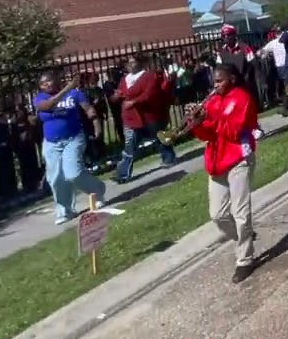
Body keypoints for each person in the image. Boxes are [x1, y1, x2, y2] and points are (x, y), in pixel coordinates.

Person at [188, 63, 259, 283]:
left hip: (239, 158)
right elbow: (207, 135)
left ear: (232, 79)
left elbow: (234, 131)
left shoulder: (242, 98)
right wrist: (197, 123)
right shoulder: (212, 101)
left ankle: (245, 260)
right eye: (214, 82)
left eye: (220, 81)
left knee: (240, 212)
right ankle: (245, 236)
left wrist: (213, 118)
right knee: (217, 215)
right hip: (217, 161)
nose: (215, 85)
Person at [33, 71, 107, 225]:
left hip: (73, 138)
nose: (46, 84)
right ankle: (65, 211)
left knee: (73, 173)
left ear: (56, 79)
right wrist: (67, 88)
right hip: (51, 143)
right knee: (56, 177)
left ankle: (97, 191)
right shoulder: (40, 98)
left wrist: (96, 123)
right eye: (43, 83)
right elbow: (48, 106)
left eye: (49, 80)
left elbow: (88, 108)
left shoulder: (74, 94)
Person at [110, 54, 176, 183]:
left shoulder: (149, 76)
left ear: (140, 64)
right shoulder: (125, 79)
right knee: (130, 145)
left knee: (159, 138)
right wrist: (117, 96)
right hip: (131, 119)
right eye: (128, 63)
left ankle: (169, 157)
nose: (129, 65)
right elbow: (121, 93)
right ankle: (122, 173)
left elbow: (150, 94)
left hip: (150, 116)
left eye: (133, 62)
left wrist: (134, 101)